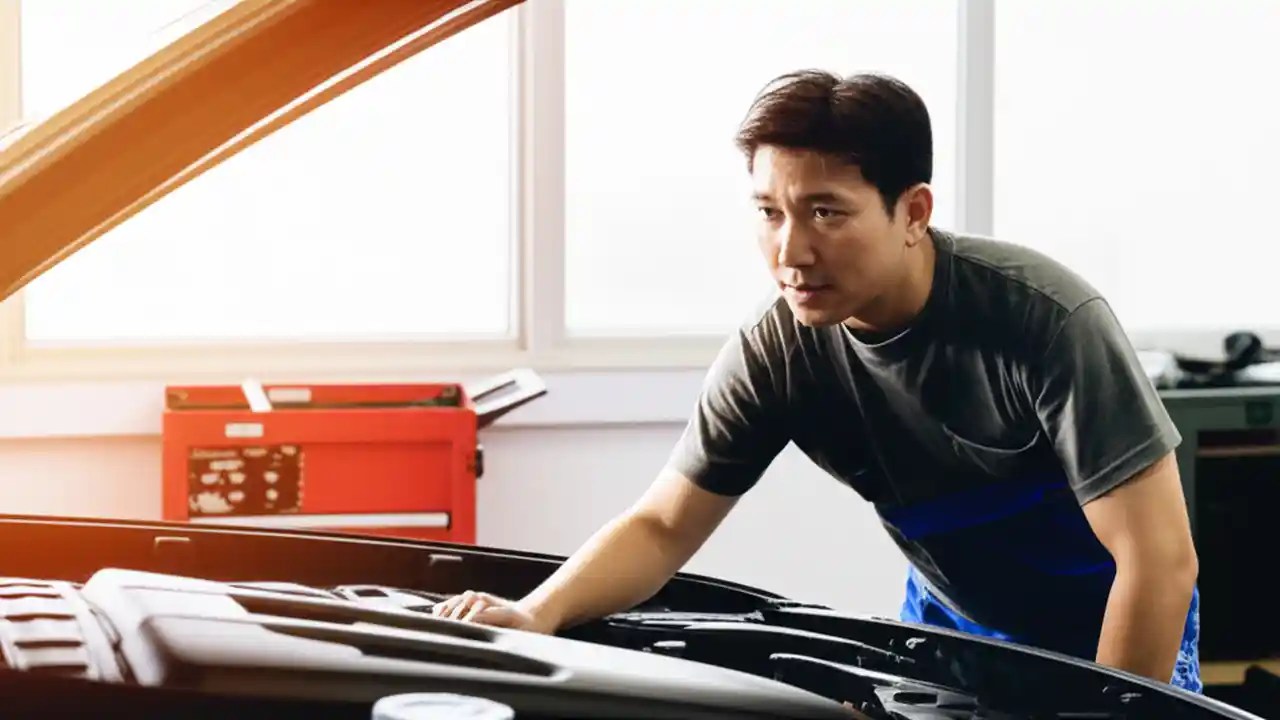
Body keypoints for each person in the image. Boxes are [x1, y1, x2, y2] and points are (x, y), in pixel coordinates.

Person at [431, 69, 1202, 693]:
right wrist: (537, 612)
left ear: (913, 211)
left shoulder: (1045, 321)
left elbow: (1158, 560)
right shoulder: (778, 353)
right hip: (952, 623)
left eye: (826, 212)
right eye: (769, 212)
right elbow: (664, 526)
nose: (791, 251)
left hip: (1116, 623)